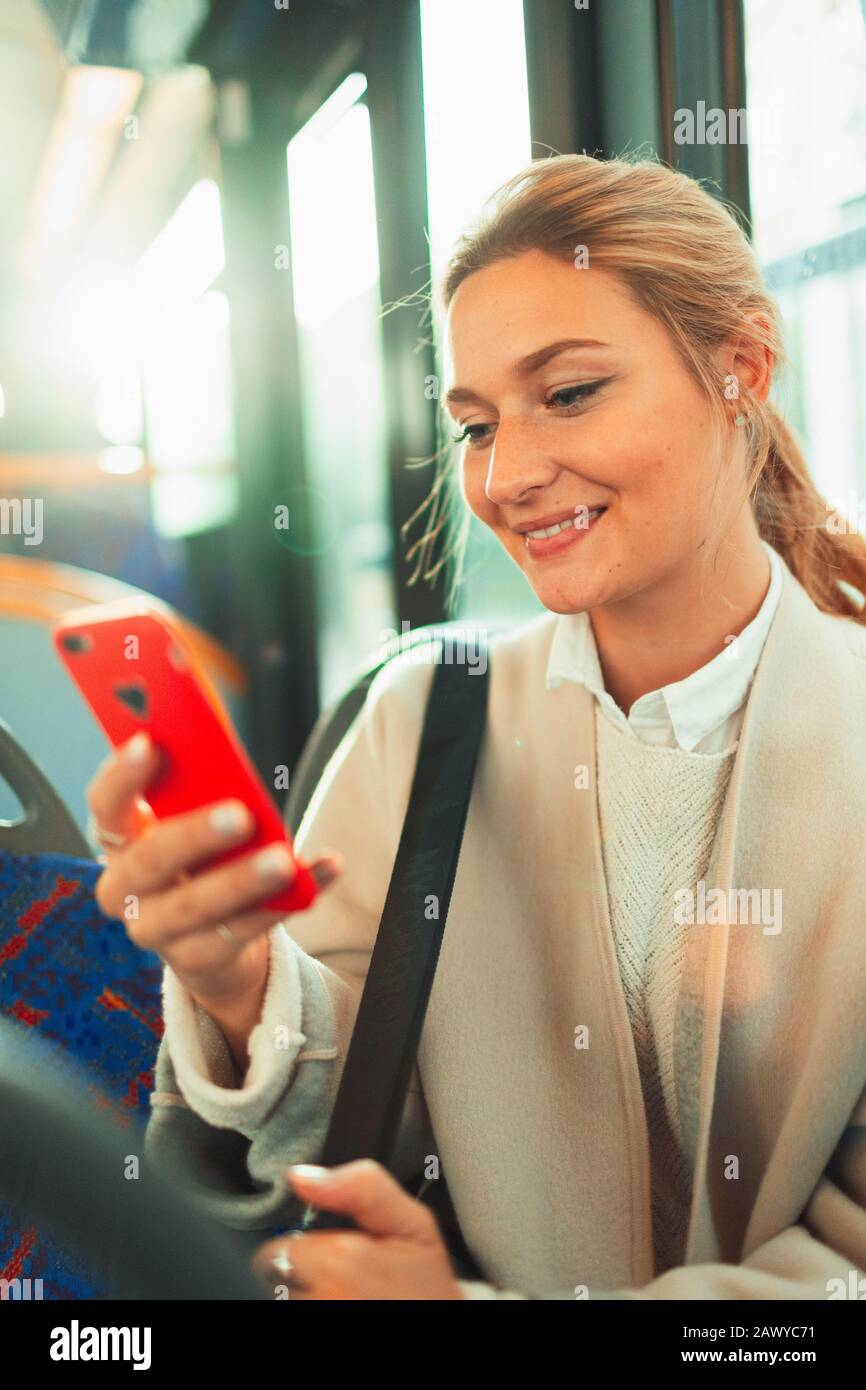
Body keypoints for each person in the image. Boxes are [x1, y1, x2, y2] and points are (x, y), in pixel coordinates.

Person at [87, 153, 866, 1300]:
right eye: (473, 424)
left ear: (739, 367)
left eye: (566, 393)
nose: (506, 475)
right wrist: (240, 980)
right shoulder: (421, 720)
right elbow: (356, 1116)